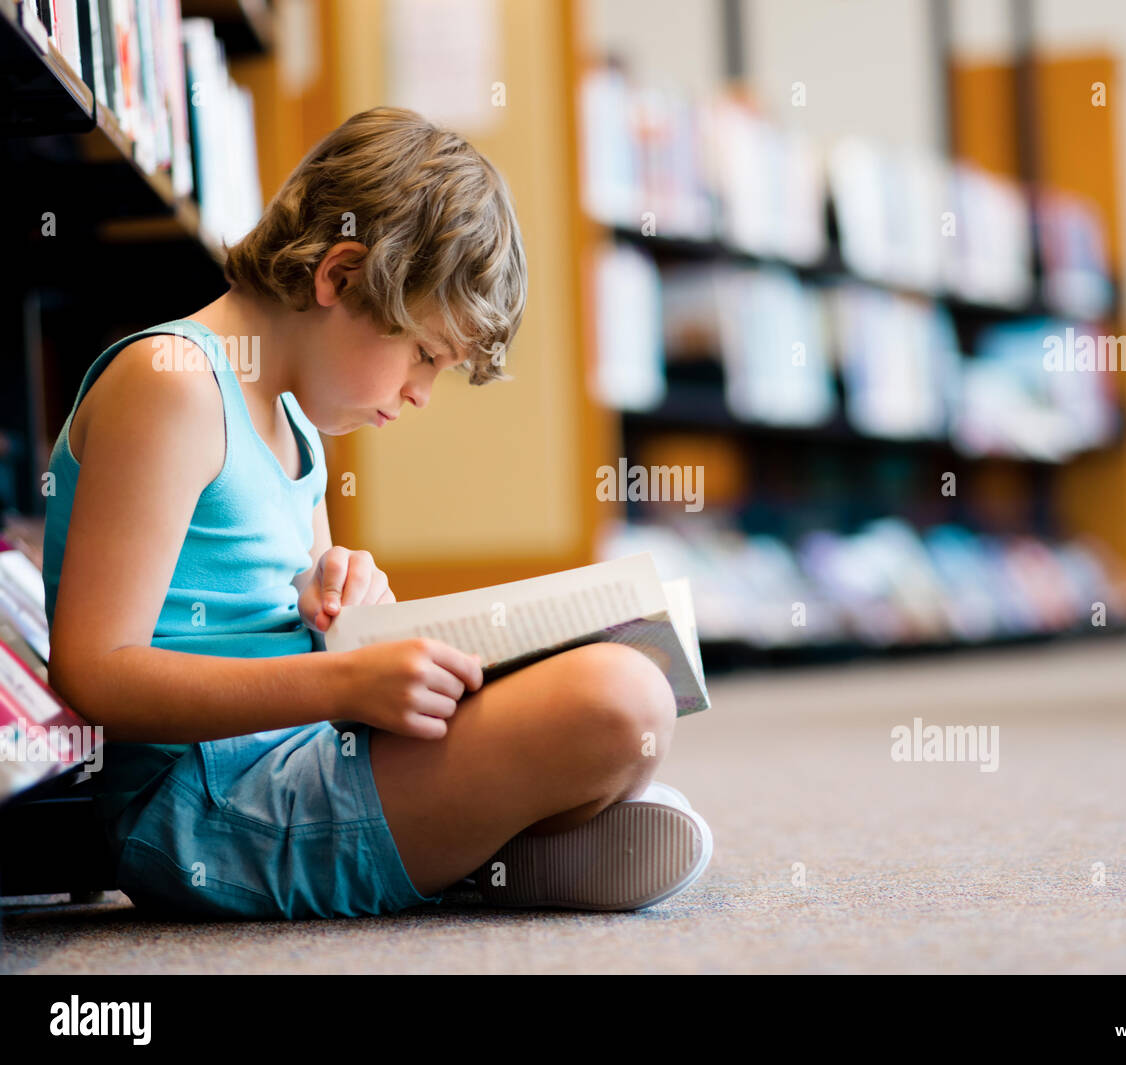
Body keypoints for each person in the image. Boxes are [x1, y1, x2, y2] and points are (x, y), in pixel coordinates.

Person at [41, 106, 712, 921]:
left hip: (301, 752)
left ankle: (482, 849)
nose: (422, 394)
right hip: (200, 806)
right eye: (425, 355)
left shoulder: (294, 428)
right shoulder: (171, 382)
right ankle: (490, 852)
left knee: (621, 695)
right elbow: (95, 671)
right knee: (619, 701)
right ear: (341, 276)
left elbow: (289, 622)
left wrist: (340, 605)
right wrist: (342, 680)